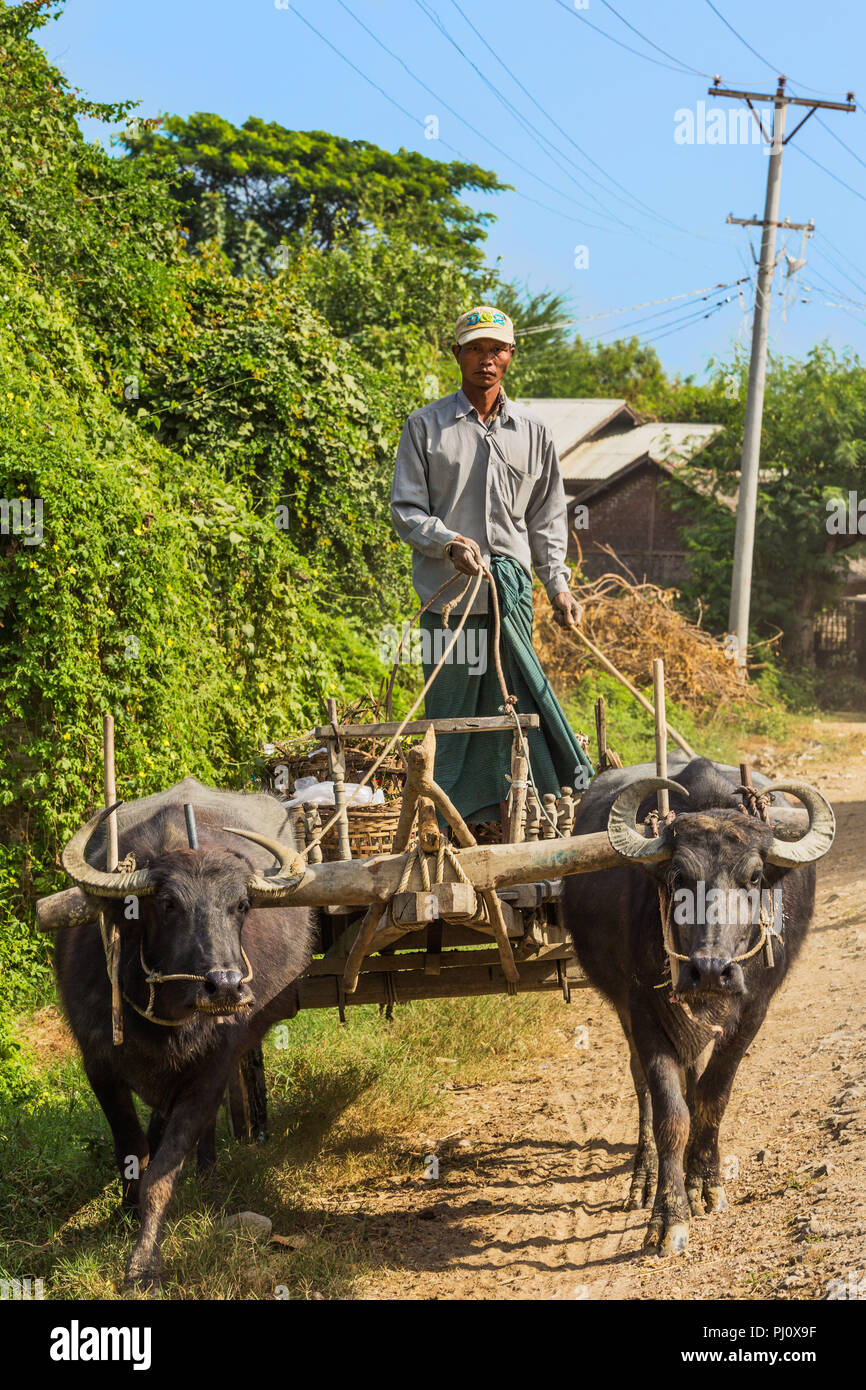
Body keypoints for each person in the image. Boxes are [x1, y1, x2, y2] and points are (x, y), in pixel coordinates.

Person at [390, 305, 593, 829]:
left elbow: (548, 518)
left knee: (516, 706)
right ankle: (448, 822)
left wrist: (559, 586)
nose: (487, 360)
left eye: (497, 349)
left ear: (511, 356)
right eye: (476, 349)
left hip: (511, 594)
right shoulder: (425, 427)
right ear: (456, 354)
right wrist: (447, 542)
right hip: (447, 597)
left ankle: (521, 814)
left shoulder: (534, 432)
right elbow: (406, 509)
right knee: (450, 714)